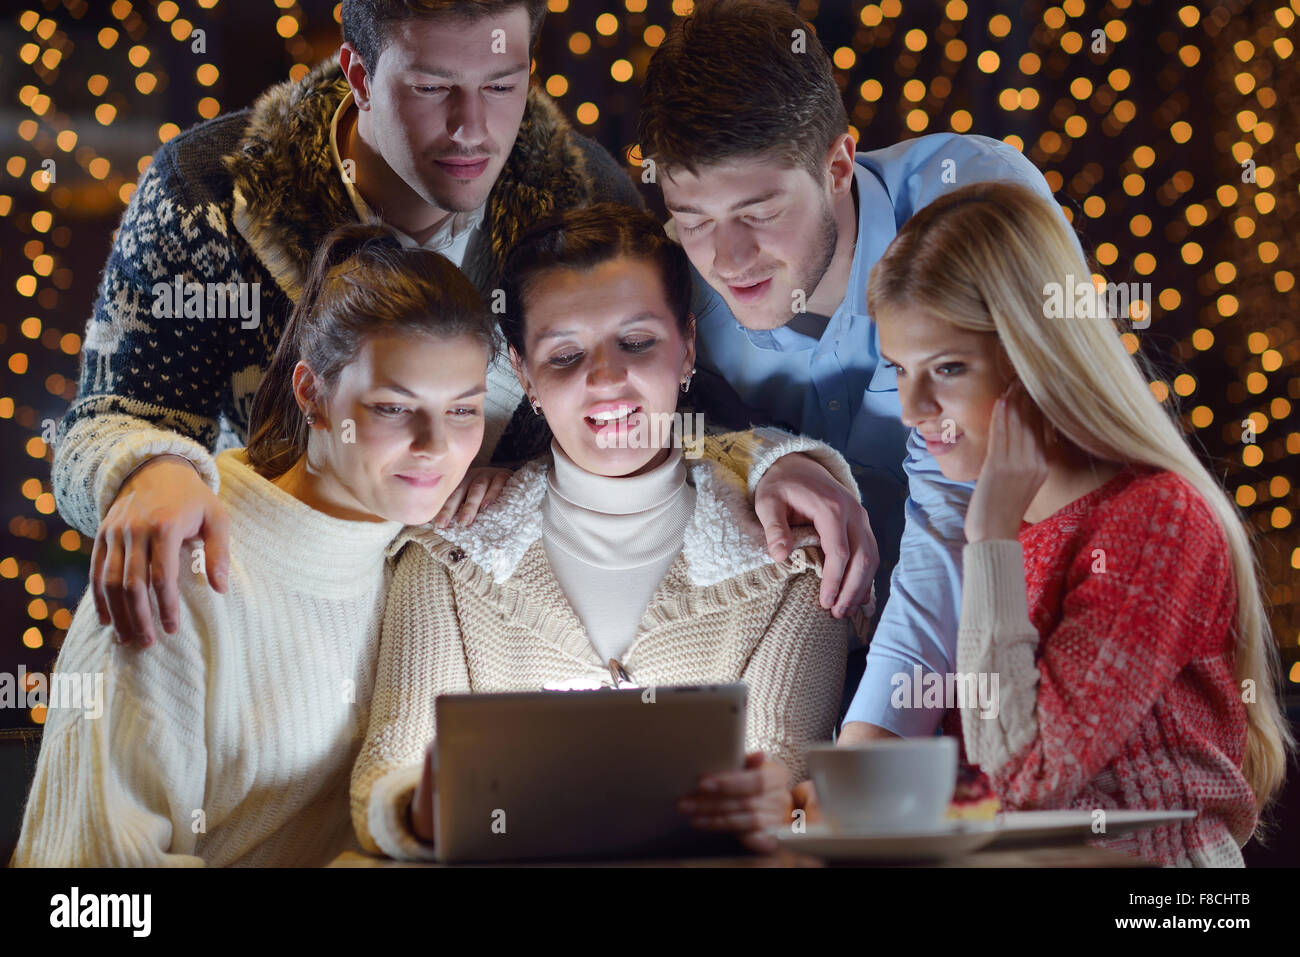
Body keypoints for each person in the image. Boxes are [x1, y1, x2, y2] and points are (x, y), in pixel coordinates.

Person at [53, 0, 639, 647]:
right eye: (431, 87)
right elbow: (100, 426)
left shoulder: (589, 200)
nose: (472, 128)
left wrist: (537, 483)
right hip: (261, 621)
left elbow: (670, 427)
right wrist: (144, 468)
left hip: (485, 647)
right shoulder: (204, 194)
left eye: (502, 86)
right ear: (358, 75)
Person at [636, 0, 1087, 740]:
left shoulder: (967, 202)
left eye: (757, 212)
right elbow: (666, 433)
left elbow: (955, 513)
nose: (727, 259)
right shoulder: (672, 288)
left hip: (1026, 653)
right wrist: (761, 457)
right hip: (803, 673)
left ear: (839, 163)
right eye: (694, 220)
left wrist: (867, 756)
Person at [350, 204, 858, 860]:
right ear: (524, 373)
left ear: (687, 349)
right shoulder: (449, 556)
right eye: (565, 354)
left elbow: (786, 769)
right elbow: (385, 769)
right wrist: (418, 808)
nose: (607, 378)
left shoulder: (794, 560)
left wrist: (776, 804)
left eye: (637, 341)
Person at [15, 225, 498, 866]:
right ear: (312, 395)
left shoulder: (430, 559)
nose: (437, 447)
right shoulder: (184, 568)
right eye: (391, 407)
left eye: (463, 411)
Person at [866, 181, 1294, 866]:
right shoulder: (995, 524)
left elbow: (1027, 779)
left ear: (1033, 359)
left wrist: (992, 540)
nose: (913, 408)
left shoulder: (1154, 518)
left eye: (948, 367)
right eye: (899, 369)